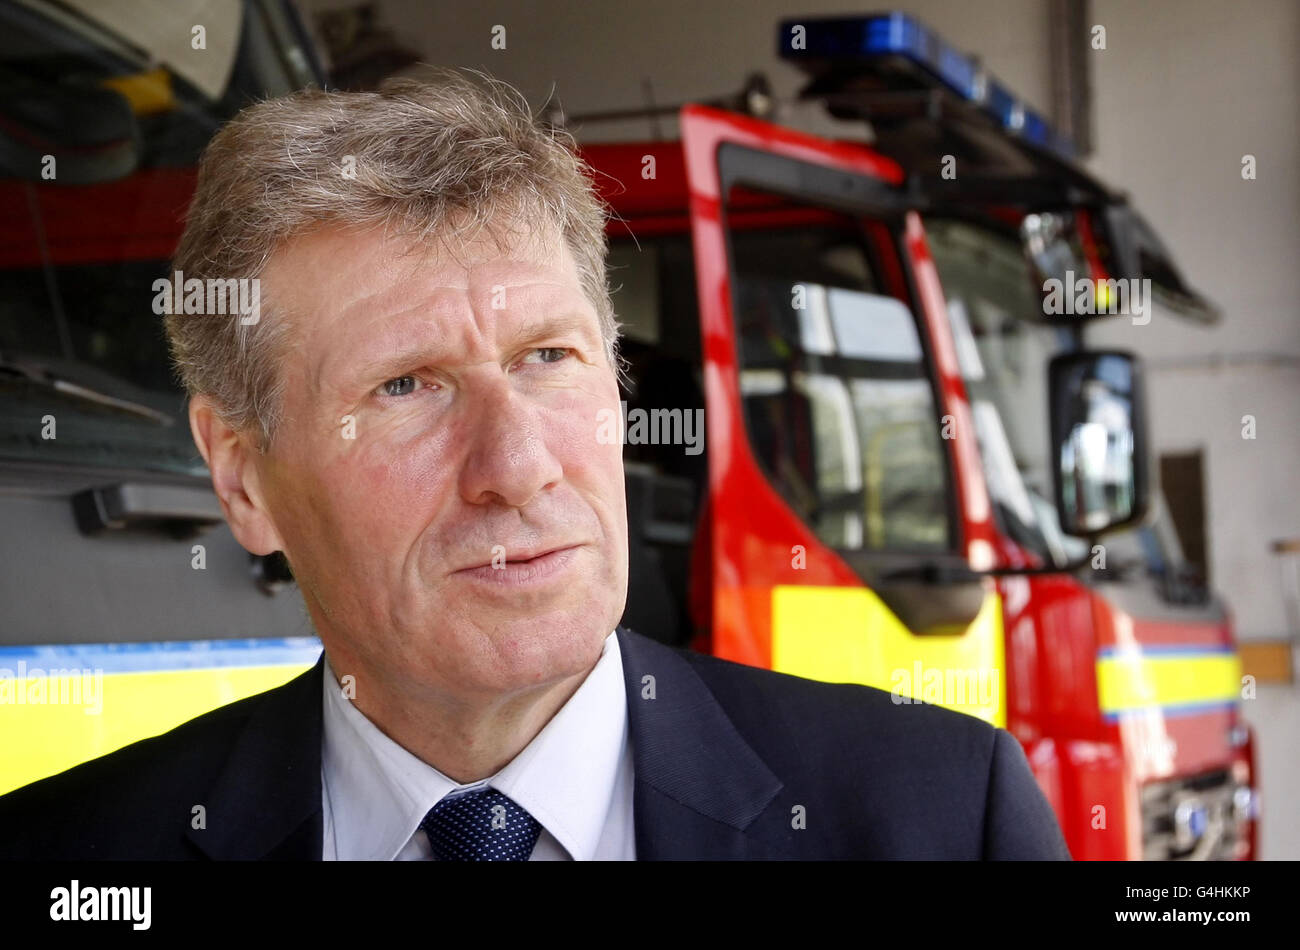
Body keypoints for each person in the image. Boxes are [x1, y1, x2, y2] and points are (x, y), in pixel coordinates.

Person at [0, 69, 1070, 860]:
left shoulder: (939, 815)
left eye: (548, 358)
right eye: (406, 385)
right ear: (241, 478)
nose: (515, 467)